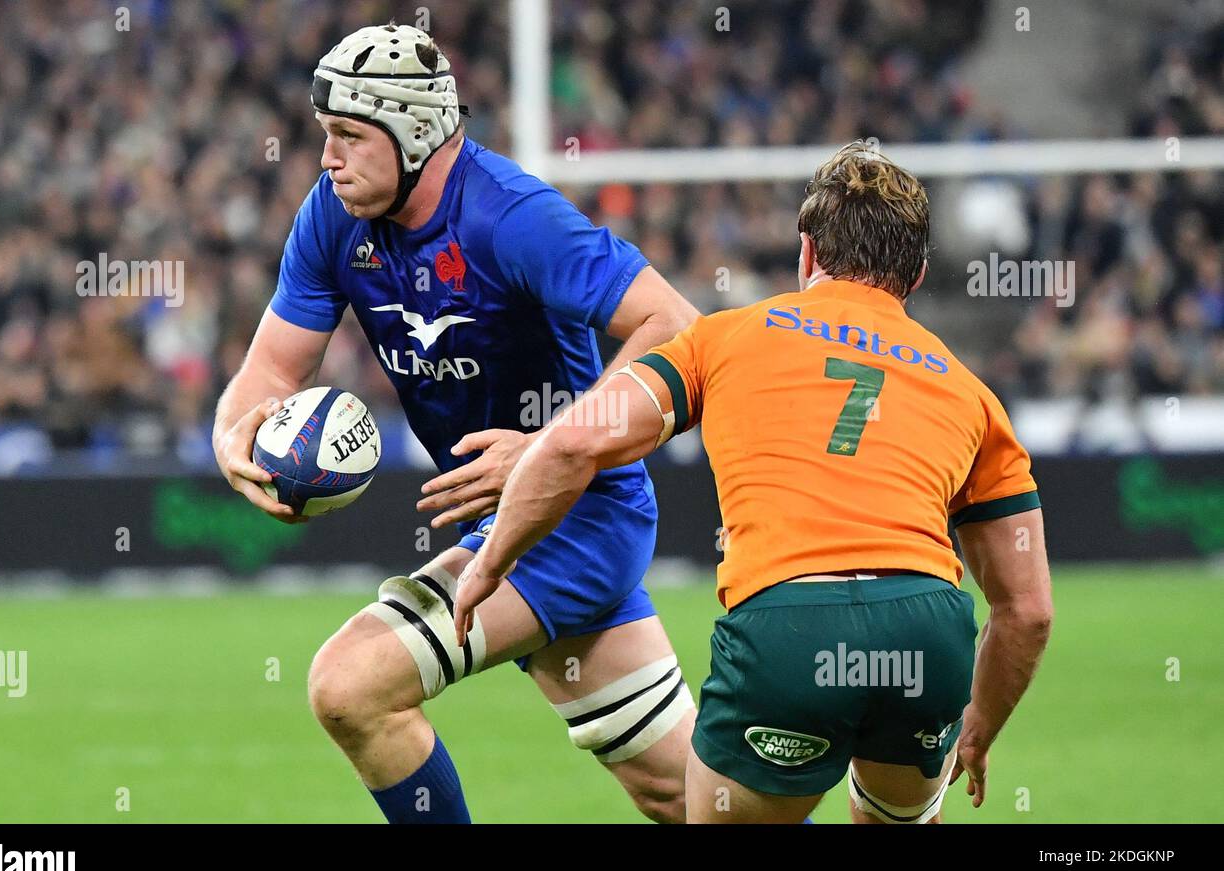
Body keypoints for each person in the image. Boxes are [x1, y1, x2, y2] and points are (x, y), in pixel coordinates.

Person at [456, 141, 1055, 824]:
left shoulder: (723, 339)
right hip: (926, 633)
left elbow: (573, 443)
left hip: (789, 629)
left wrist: (491, 562)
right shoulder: (971, 393)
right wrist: (977, 726)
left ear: (806, 252)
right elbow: (1028, 611)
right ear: (915, 276)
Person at [211, 23, 700, 824]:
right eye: (323, 135)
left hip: (579, 519)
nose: (326, 158)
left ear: (412, 133)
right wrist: (236, 432)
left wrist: (552, 447)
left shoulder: (513, 217)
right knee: (690, 799)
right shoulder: (335, 216)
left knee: (351, 686)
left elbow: (677, 327)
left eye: (346, 136)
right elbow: (268, 372)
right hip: (509, 522)